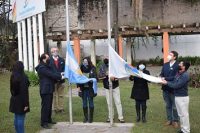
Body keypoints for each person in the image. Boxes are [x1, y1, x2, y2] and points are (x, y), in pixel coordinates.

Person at [161, 61, 190, 133]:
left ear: (184, 67)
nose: (178, 65)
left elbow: (176, 85)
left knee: (184, 115)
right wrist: (164, 79)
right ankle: (183, 129)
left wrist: (166, 83)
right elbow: (173, 79)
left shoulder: (185, 75)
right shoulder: (179, 73)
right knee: (180, 114)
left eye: (180, 64)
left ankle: (186, 130)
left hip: (182, 97)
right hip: (177, 96)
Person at [35, 53, 62, 129]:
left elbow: (53, 71)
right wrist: (61, 76)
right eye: (47, 58)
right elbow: (51, 74)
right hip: (45, 89)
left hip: (49, 88)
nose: (49, 59)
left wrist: (59, 74)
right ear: (43, 59)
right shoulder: (42, 68)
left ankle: (48, 119)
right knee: (45, 106)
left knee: (49, 105)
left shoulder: (46, 66)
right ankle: (43, 122)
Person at [98, 58, 125, 123]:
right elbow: (99, 76)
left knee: (118, 102)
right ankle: (110, 117)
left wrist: (114, 78)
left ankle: (120, 117)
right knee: (109, 103)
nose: (106, 58)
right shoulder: (102, 66)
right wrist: (106, 75)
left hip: (115, 86)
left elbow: (119, 75)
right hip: (107, 87)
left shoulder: (114, 65)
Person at [160, 51, 179, 128]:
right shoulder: (165, 64)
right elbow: (162, 73)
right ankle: (169, 120)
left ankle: (175, 121)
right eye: (169, 54)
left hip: (173, 88)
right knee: (168, 105)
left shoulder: (178, 65)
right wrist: (160, 77)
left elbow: (176, 77)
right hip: (165, 88)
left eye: (170, 55)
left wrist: (165, 78)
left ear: (174, 57)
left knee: (174, 106)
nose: (168, 56)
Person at [9, 61, 30, 133]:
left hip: (14, 99)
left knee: (16, 117)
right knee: (20, 118)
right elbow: (24, 92)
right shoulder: (23, 77)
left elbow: (11, 89)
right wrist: (26, 104)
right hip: (21, 101)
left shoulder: (13, 75)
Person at [77, 58, 97, 123]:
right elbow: (78, 79)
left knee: (91, 103)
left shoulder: (93, 68)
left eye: (86, 61)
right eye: (84, 61)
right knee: (84, 103)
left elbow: (96, 78)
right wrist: (78, 88)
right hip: (83, 89)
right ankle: (86, 117)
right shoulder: (80, 69)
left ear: (88, 61)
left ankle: (91, 118)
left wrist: (92, 80)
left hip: (90, 88)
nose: (85, 62)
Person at [50, 47, 65, 113]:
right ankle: (54, 109)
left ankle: (60, 108)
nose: (55, 52)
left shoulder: (62, 60)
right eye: (54, 51)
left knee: (61, 95)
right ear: (51, 52)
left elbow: (64, 69)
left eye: (56, 50)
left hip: (61, 81)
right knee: (53, 95)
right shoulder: (49, 60)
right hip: (53, 81)